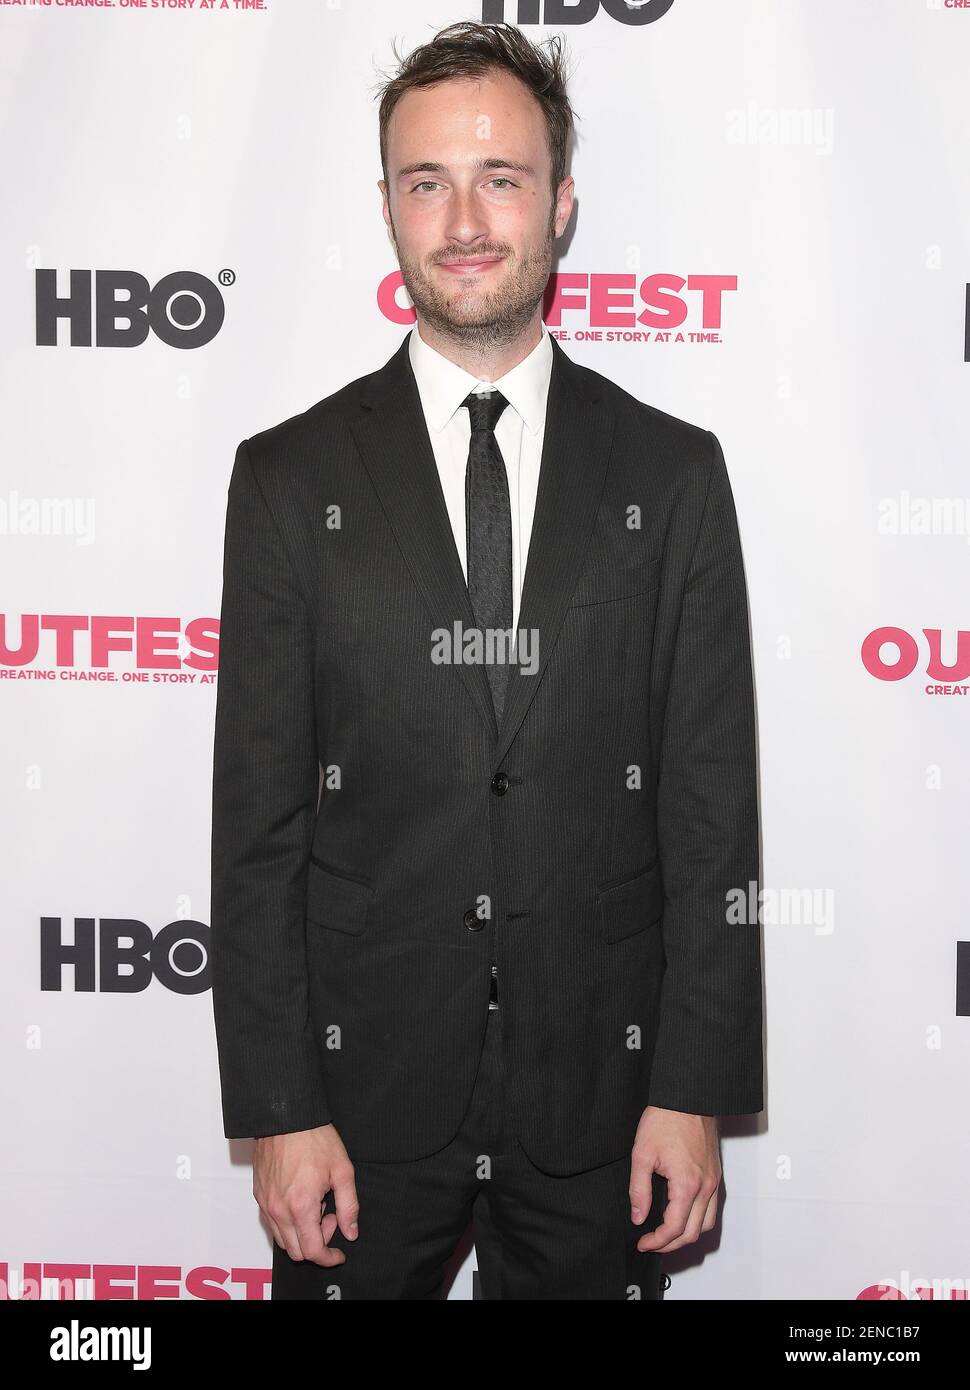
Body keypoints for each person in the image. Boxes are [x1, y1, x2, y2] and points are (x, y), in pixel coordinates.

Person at [210, 19, 763, 1302]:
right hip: (355, 1107)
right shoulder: (288, 480)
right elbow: (259, 829)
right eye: (425, 182)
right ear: (389, 208)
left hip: (601, 1107)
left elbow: (710, 811)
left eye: (499, 178)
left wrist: (691, 1087)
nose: (463, 218)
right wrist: (280, 1107)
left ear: (561, 204)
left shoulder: (673, 476)